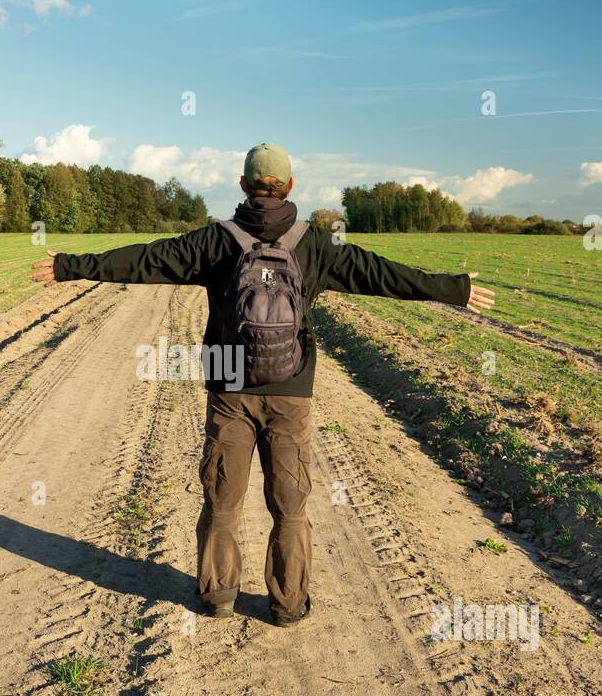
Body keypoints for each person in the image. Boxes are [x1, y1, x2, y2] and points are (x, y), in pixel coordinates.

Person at [32, 143, 495, 627]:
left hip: (229, 384)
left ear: (242, 185)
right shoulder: (316, 243)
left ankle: (216, 597)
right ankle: (288, 604)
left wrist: (70, 266)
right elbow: (382, 274)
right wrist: (454, 289)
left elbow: (146, 260)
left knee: (223, 501)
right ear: (290, 186)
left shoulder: (215, 240)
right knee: (290, 506)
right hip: (291, 389)